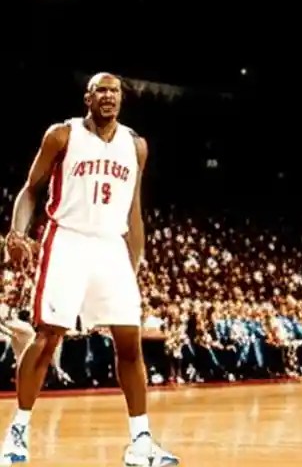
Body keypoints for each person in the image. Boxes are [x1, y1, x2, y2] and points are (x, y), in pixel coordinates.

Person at [2, 72, 179, 466]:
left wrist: (131, 265)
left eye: (115, 91)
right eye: (101, 89)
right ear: (88, 96)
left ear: (121, 99)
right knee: (47, 337)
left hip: (111, 246)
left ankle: (141, 443)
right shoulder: (62, 135)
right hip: (67, 238)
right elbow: (31, 189)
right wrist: (17, 233)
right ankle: (17, 432)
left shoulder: (136, 146)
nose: (109, 96)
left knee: (130, 344)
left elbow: (134, 211)